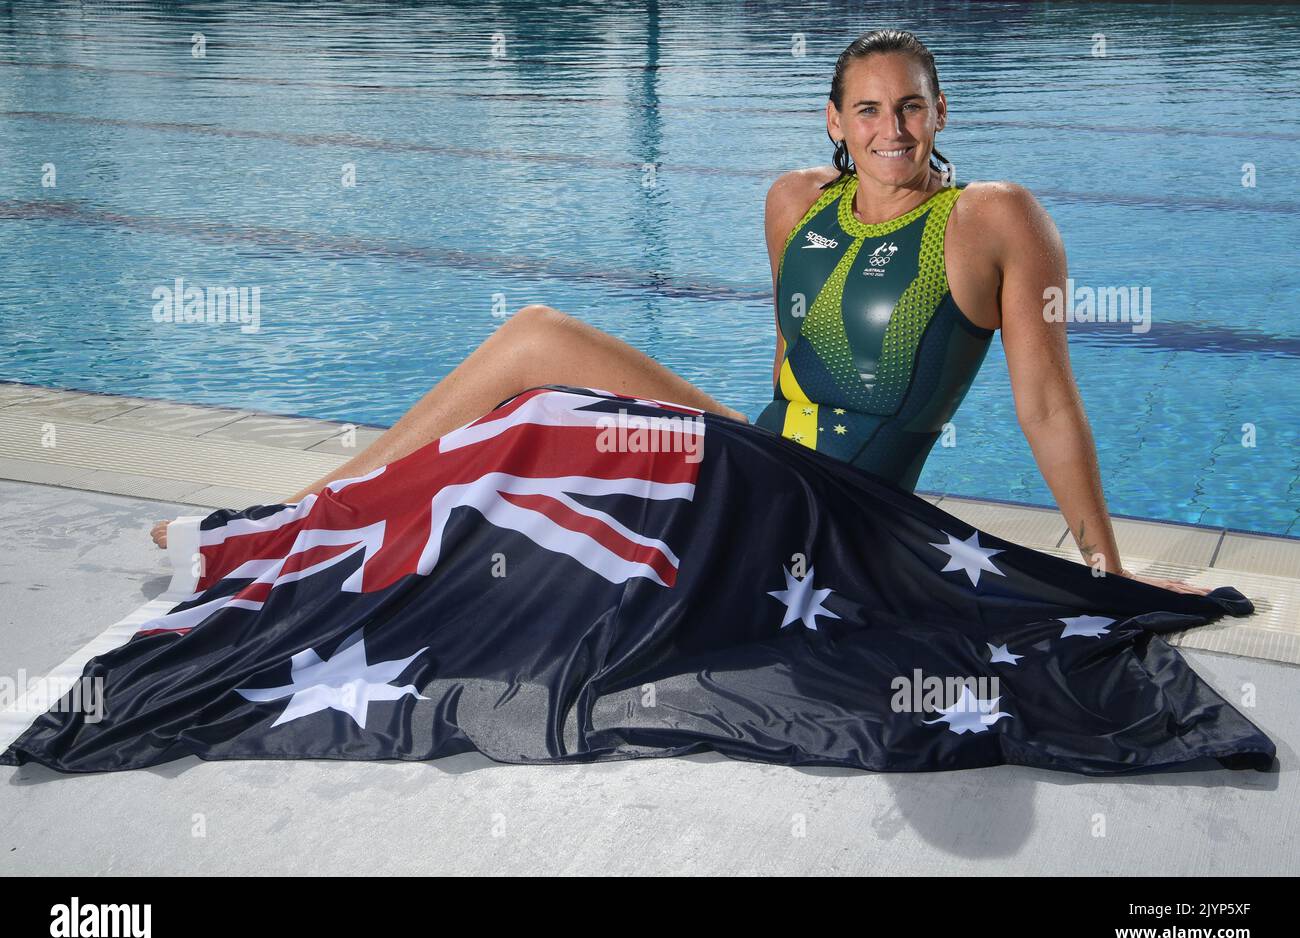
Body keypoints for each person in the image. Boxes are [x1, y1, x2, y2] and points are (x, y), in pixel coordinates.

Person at [151, 28, 1208, 596]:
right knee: (534, 340)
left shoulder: (994, 220)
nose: (893, 127)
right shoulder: (795, 200)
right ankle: (293, 517)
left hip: (838, 511)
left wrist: (1100, 565)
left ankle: (291, 528)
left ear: (942, 112)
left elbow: (1047, 405)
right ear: (835, 121)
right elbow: (800, 368)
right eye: (871, 109)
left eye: (913, 105)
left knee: (539, 400)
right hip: (757, 460)